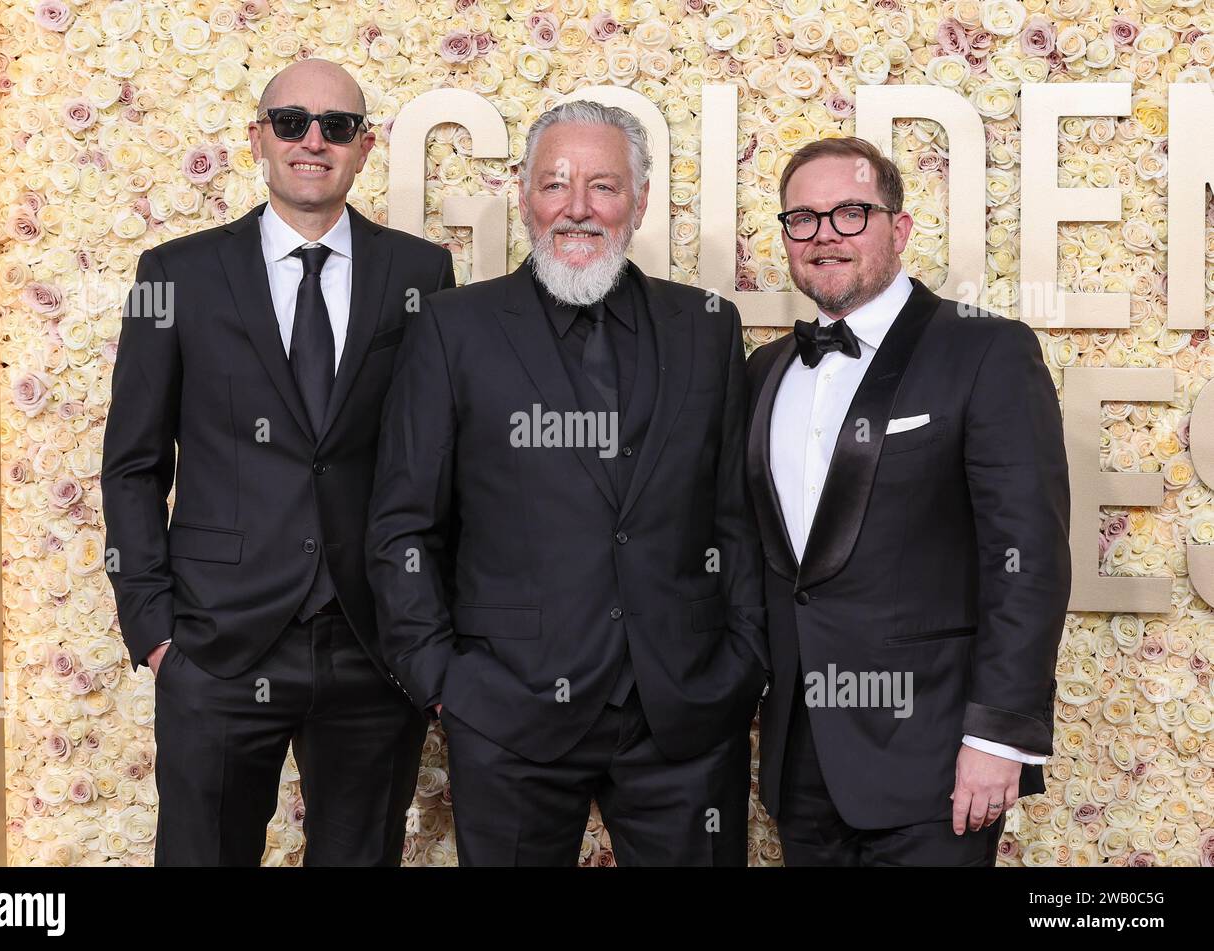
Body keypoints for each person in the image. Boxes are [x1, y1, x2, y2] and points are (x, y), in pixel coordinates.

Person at [366, 101, 768, 866]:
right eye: (555, 184)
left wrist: (740, 666)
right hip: (507, 713)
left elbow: (733, 517)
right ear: (524, 197)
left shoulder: (706, 324)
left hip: (682, 714)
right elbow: (402, 524)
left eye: (604, 187)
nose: (577, 208)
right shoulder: (454, 328)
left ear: (641, 201)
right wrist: (444, 681)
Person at [103, 59, 455, 865]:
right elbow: (133, 461)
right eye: (291, 122)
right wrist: (155, 631)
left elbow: (436, 460)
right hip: (217, 645)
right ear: (257, 138)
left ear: (364, 147)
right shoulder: (176, 275)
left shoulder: (418, 273)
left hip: (370, 644)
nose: (312, 142)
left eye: (336, 127)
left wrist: (427, 627)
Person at [746, 135, 1070, 865]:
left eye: (851, 213)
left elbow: (1029, 557)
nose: (824, 234)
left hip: (936, 757)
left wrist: (997, 738)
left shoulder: (985, 349)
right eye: (803, 218)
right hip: (801, 758)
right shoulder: (764, 369)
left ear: (900, 228)